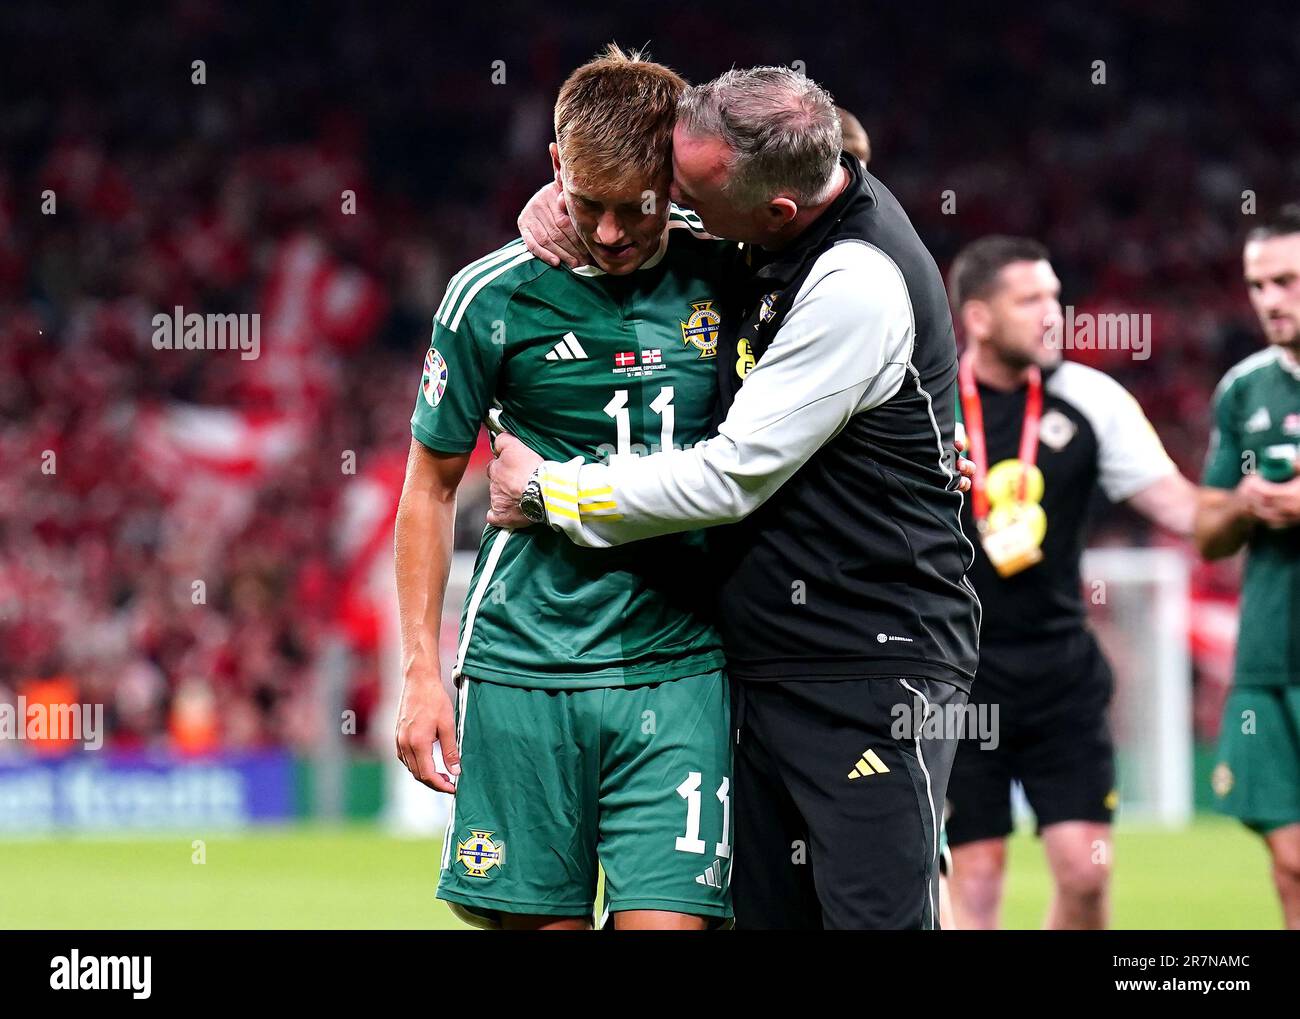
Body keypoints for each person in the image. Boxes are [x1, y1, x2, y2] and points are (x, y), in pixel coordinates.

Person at [492, 66, 979, 929]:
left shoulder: (856, 284)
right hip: (760, 665)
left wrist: (548, 490)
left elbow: (730, 474)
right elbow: (640, 154)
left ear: (775, 213)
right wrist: (564, 193)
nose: (666, 201)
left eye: (682, 193)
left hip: (868, 666)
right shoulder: (768, 211)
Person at [393, 46, 738, 931]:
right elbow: (428, 490)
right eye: (590, 205)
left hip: (682, 663)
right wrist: (422, 673)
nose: (614, 232)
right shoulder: (489, 297)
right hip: (524, 663)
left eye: (639, 206)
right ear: (554, 168)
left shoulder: (733, 277)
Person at [942, 235, 1196, 930]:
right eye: (1031, 299)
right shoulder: (929, 407)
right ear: (980, 317)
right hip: (960, 680)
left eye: (1056, 295)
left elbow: (1185, 508)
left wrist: (1251, 503)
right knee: (978, 878)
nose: (1055, 313)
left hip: (1061, 675)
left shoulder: (1090, 398)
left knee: (1086, 874)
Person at [1195, 204, 1300, 929]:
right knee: (1291, 861)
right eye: (1259, 284)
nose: (1270, 300)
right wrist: (1246, 504)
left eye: (1288, 281)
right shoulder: (1243, 389)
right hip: (1267, 655)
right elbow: (1206, 532)